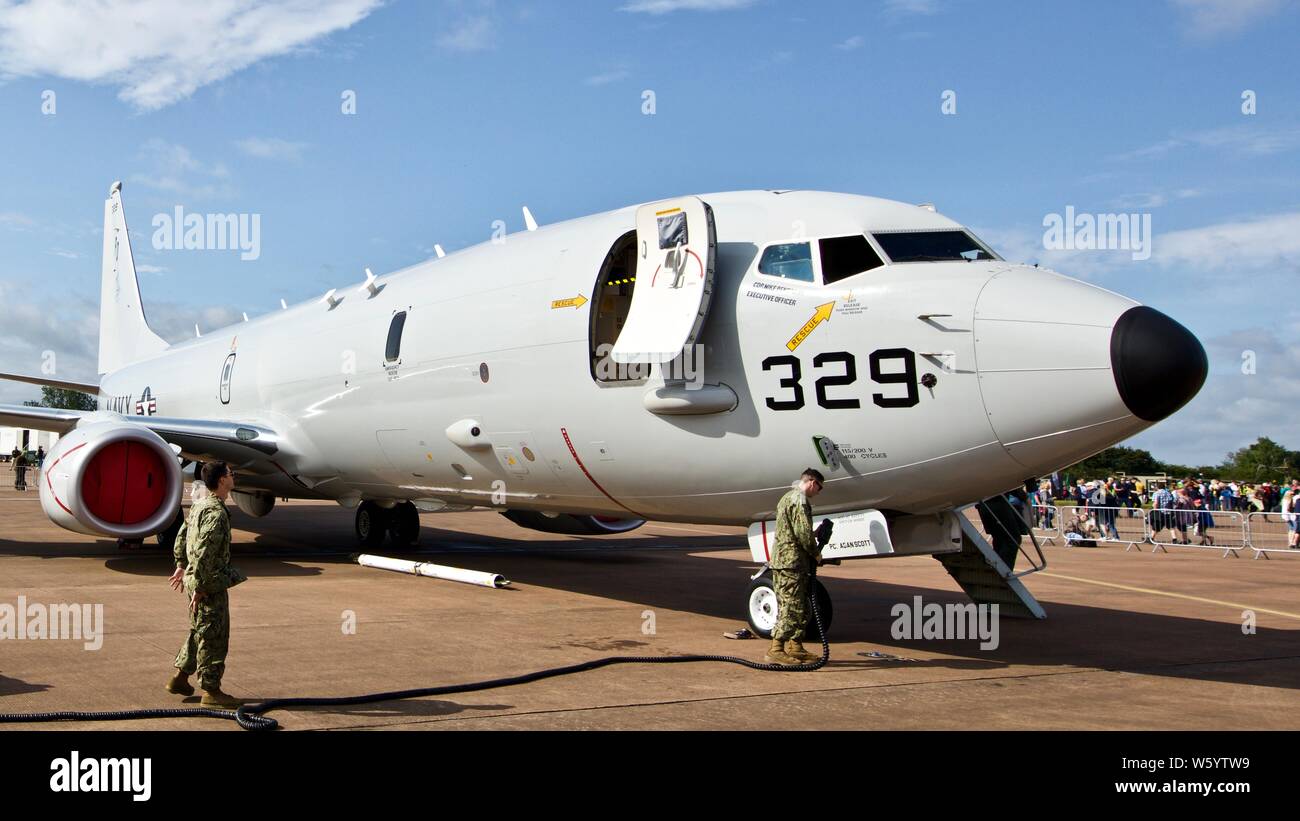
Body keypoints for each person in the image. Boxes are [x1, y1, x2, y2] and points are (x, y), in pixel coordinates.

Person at [167, 462, 245, 707]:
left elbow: (183, 534)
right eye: (230, 474)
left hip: (196, 579)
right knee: (214, 636)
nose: (233, 477)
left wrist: (181, 564)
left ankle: (180, 677)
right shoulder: (216, 513)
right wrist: (201, 587)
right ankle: (211, 691)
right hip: (207, 585)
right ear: (222, 480)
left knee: (198, 629)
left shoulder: (201, 505)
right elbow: (204, 551)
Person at [765, 468, 825, 667]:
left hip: (791, 561)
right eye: (820, 487)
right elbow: (802, 532)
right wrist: (816, 553)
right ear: (812, 482)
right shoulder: (798, 500)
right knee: (790, 606)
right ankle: (776, 650)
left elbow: (796, 529)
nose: (819, 492)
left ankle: (796, 646)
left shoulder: (788, 497)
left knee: (800, 606)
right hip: (790, 562)